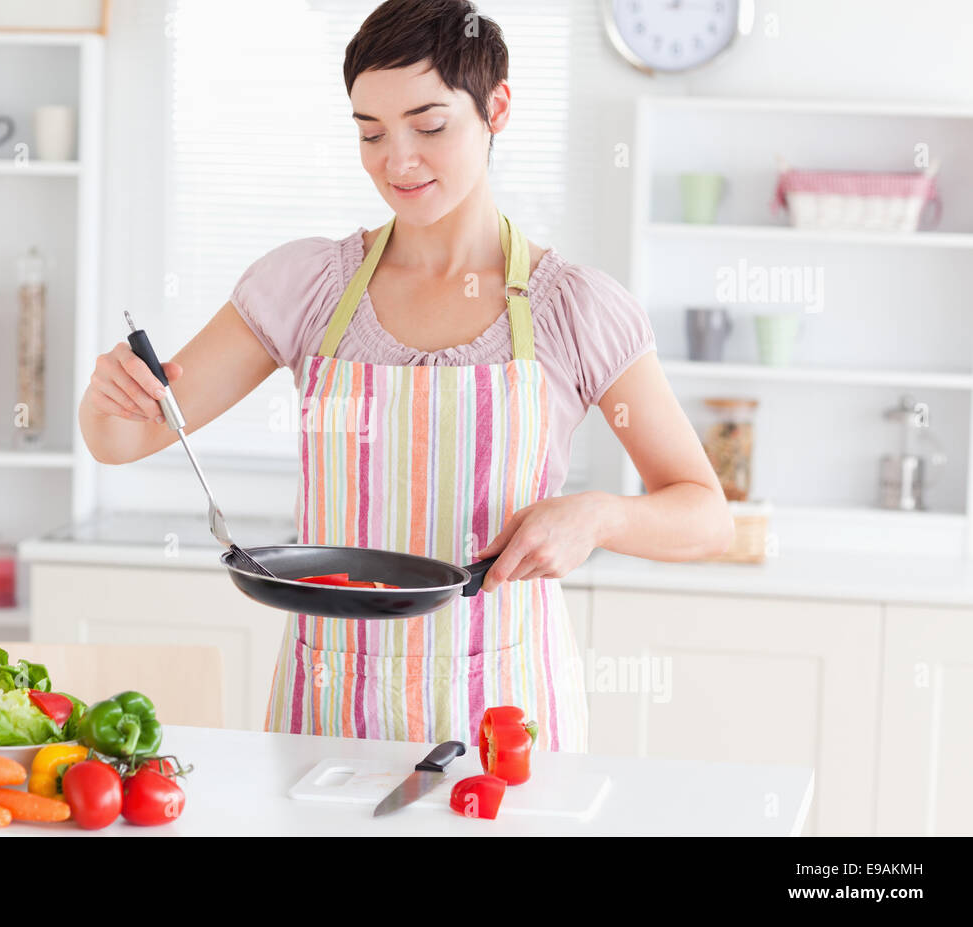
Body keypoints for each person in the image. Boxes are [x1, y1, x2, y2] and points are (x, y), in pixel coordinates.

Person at [79, 0, 733, 752]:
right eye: (370, 132)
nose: (398, 161)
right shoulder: (308, 287)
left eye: (429, 126)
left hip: (506, 720)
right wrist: (109, 395)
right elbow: (124, 437)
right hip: (326, 715)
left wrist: (599, 517)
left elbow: (707, 516)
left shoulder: (574, 308)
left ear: (497, 108)